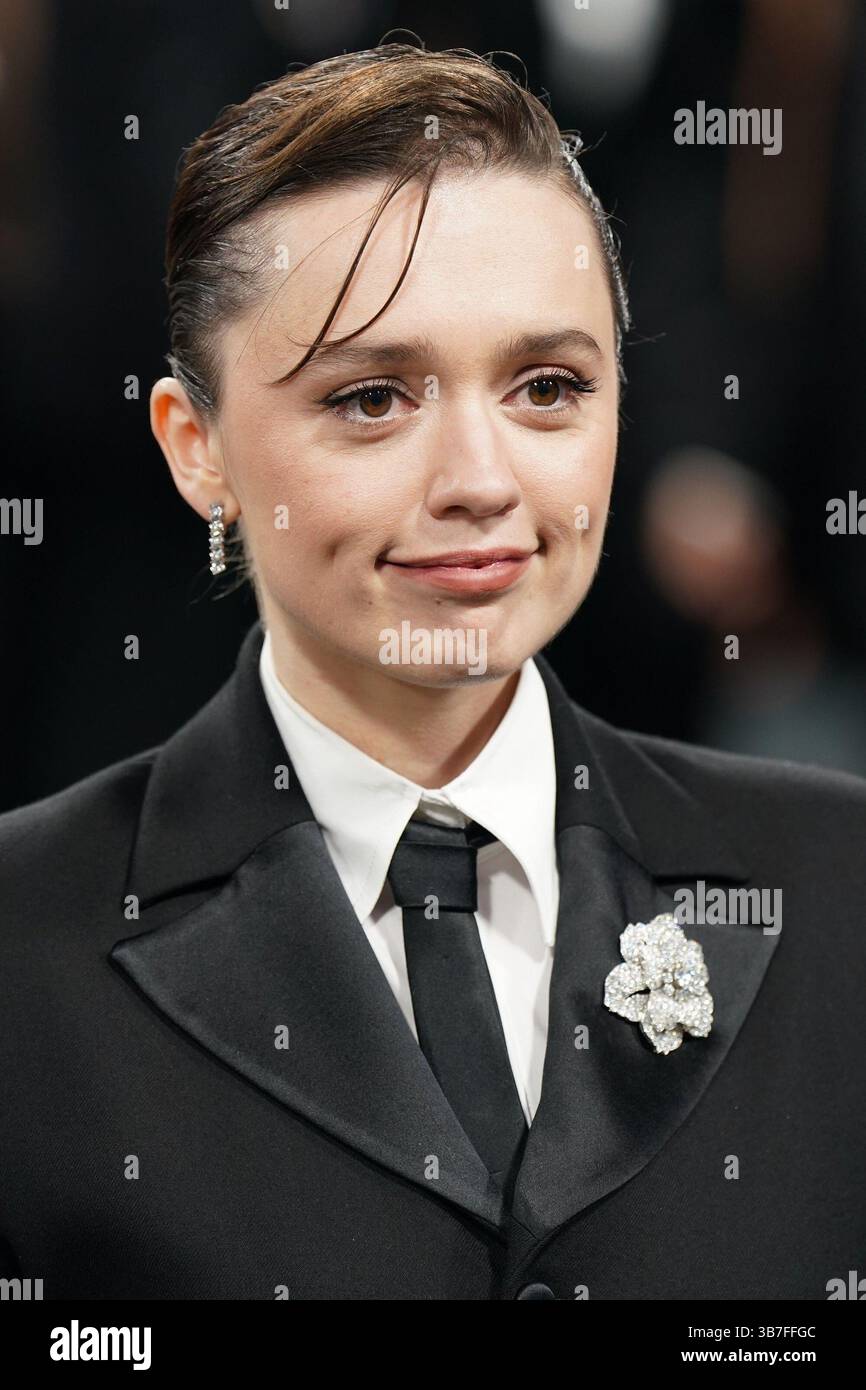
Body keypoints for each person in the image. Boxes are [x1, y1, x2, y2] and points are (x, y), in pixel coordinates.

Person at [1, 42, 864, 1302]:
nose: (479, 478)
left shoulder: (837, 888)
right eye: (369, 400)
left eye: (548, 386)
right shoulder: (25, 946)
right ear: (199, 451)